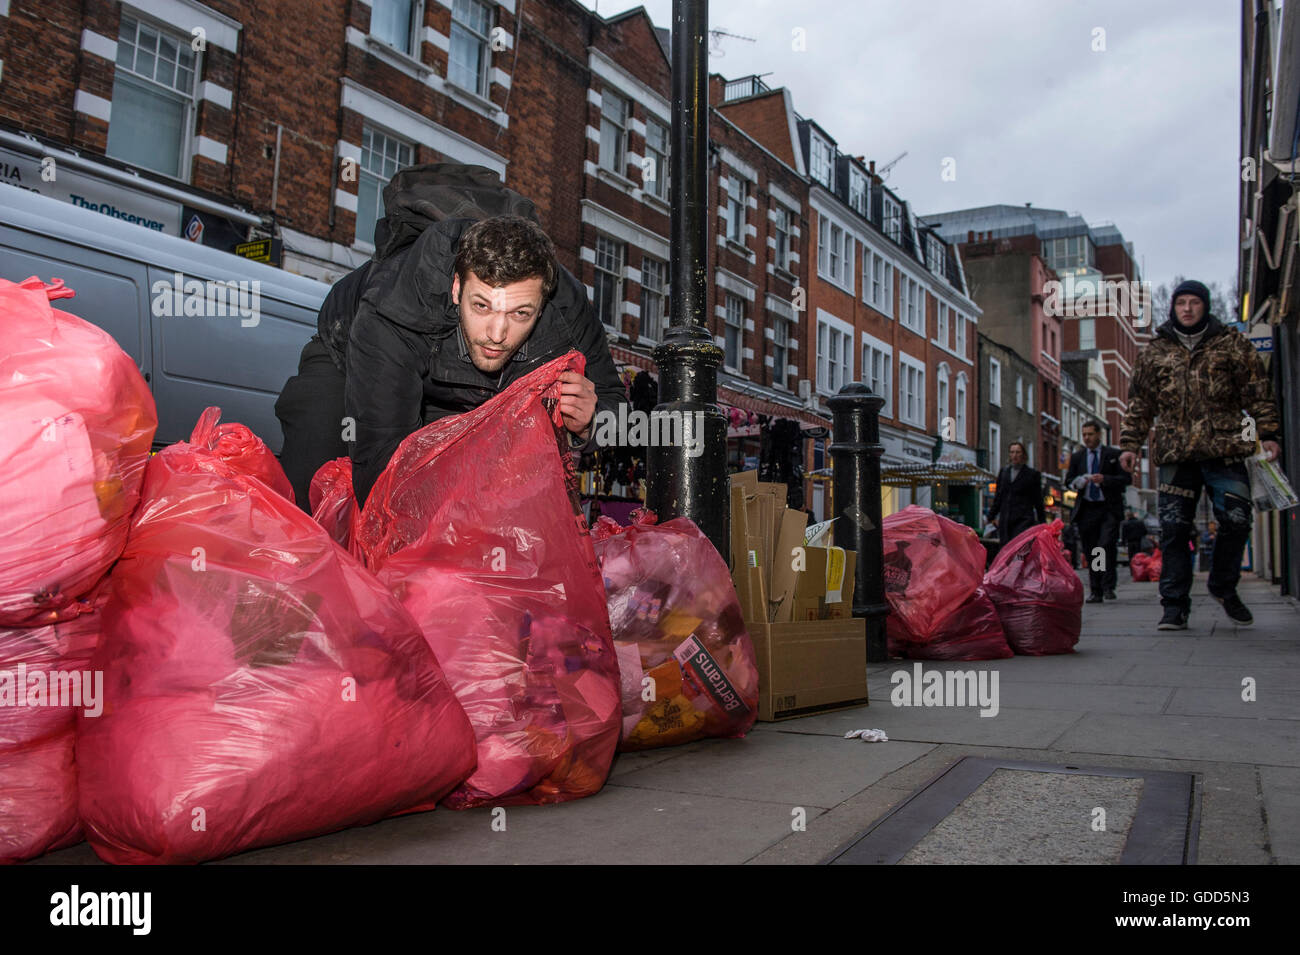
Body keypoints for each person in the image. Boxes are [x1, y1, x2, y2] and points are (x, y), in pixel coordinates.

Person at [275, 164, 625, 510]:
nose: (497, 334)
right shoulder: (398, 310)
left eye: (520, 313)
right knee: (310, 493)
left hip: (469, 388)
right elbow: (382, 467)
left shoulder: (568, 308)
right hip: (347, 356)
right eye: (482, 306)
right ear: (457, 288)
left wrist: (590, 423)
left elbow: (618, 409)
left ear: (543, 300)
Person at [1119, 278, 1282, 630]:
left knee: (1237, 521)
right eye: (1181, 303)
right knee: (1175, 530)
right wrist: (1130, 444)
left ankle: (1223, 585)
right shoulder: (1155, 351)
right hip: (1176, 454)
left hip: (1225, 450)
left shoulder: (1232, 344)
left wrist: (1268, 433)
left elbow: (1257, 392)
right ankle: (1174, 606)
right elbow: (1140, 403)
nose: (1188, 309)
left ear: (1205, 306)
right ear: (1173, 308)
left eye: (1194, 302)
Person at [1065, 419, 1131, 602]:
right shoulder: (1078, 457)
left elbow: (1126, 479)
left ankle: (1107, 585)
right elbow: (1068, 480)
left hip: (1108, 508)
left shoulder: (1113, 454)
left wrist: (1105, 479)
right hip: (1087, 508)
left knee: (1105, 545)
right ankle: (1097, 589)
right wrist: (1077, 482)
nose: (1086, 438)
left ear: (1099, 434)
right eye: (1084, 434)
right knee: (1093, 549)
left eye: (1090, 434)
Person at [987, 441, 1046, 544]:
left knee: (1019, 550)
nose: (1015, 455)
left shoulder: (1032, 475)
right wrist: (991, 516)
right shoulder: (1004, 472)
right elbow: (999, 497)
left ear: (1023, 455)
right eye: (1012, 452)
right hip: (1005, 521)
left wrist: (1043, 523)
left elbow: (1038, 501)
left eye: (1018, 452)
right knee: (1005, 551)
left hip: (1023, 521)